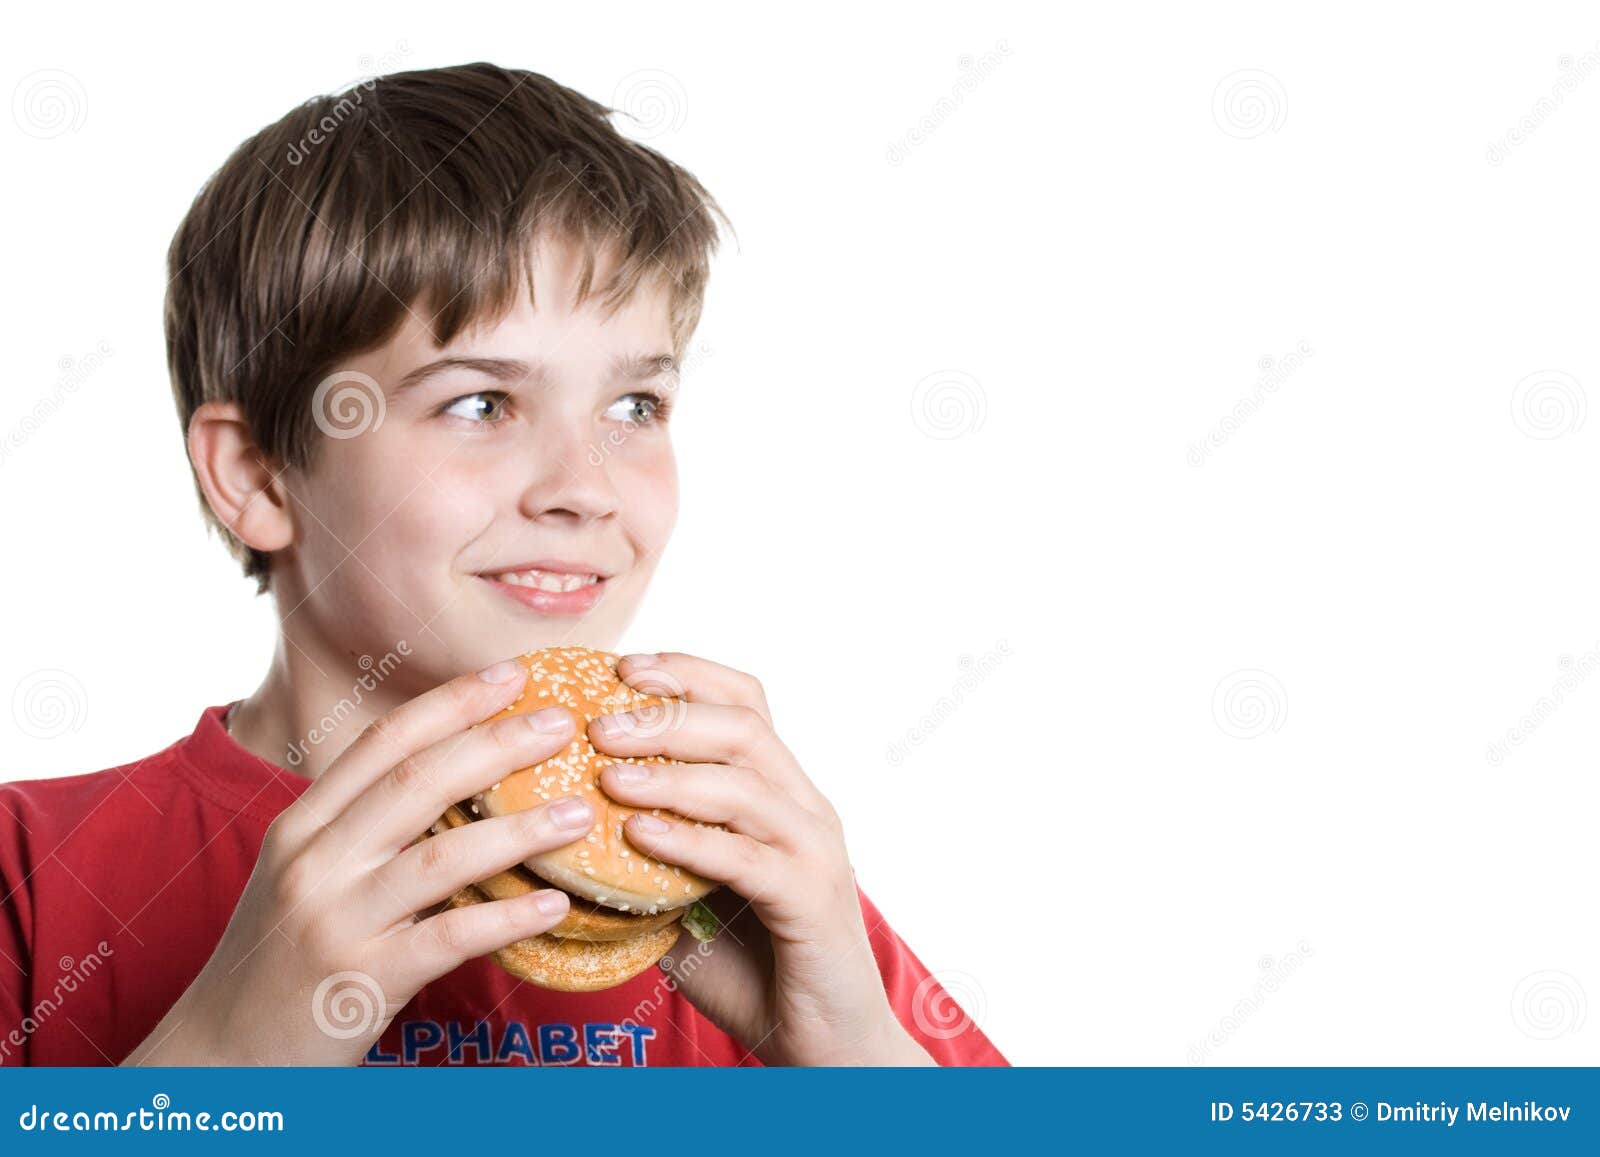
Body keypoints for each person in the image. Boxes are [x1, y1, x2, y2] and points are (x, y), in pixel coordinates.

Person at [0, 62, 1006, 1067]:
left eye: (634, 406)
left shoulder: (748, 874)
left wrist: (858, 1055)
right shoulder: (33, 875)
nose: (588, 487)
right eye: (480, 403)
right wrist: (219, 1058)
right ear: (258, 475)